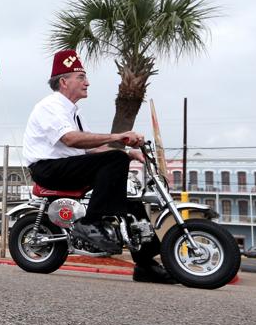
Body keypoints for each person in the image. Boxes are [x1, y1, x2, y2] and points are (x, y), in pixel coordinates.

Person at [22, 49, 174, 284]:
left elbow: (91, 149)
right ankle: (91, 222)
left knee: (130, 199)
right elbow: (71, 140)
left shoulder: (73, 112)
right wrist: (120, 137)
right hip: (48, 168)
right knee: (115, 161)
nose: (88, 83)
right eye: (81, 77)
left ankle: (145, 265)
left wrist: (129, 152)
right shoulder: (50, 106)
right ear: (64, 81)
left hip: (68, 166)